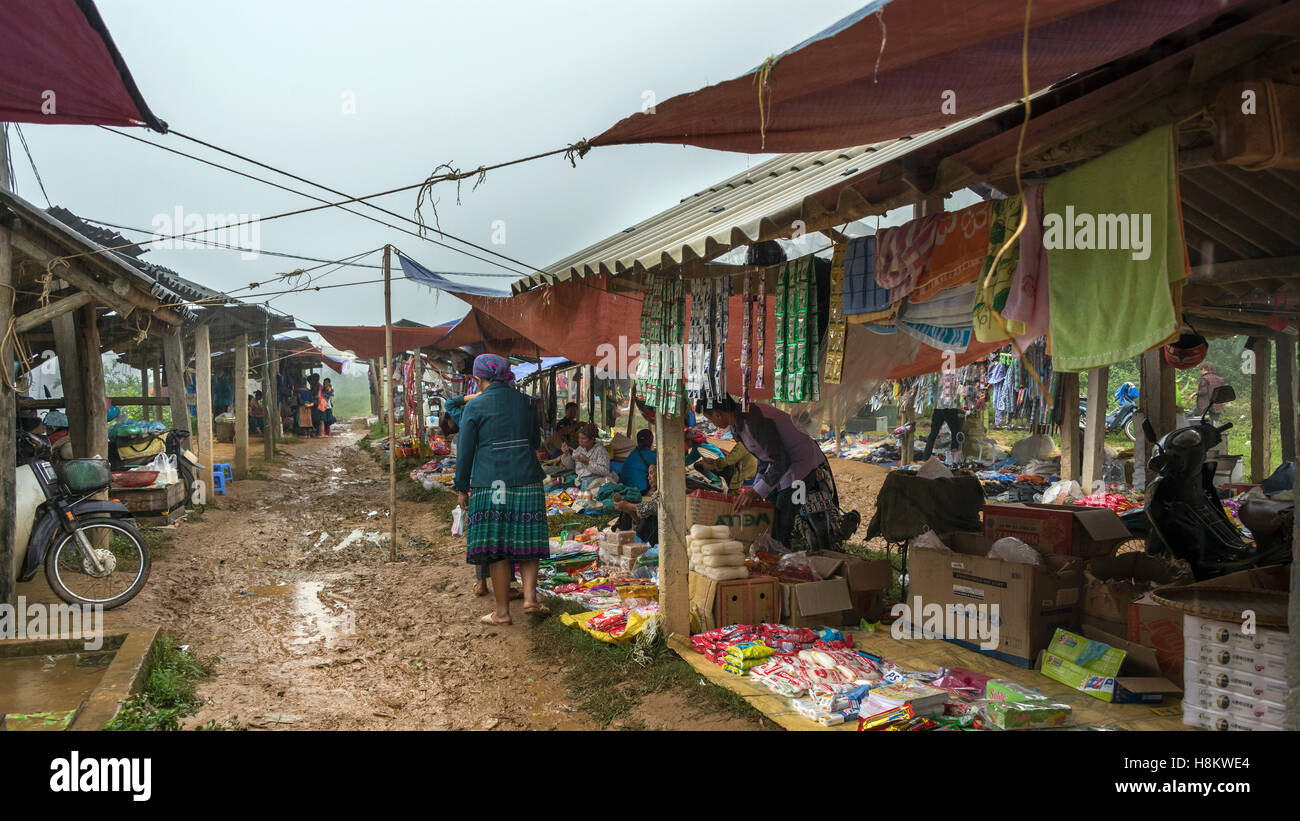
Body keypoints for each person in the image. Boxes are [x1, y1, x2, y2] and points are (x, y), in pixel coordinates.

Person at [454, 353, 550, 625]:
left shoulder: (474, 407)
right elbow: (534, 441)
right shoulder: (527, 402)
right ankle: (531, 599)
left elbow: (465, 452)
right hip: (527, 480)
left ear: (478, 377)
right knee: (528, 542)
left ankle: (502, 613)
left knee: (496, 548)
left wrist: (462, 487)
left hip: (491, 484)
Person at [696, 395, 858, 550]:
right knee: (769, 513)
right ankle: (773, 554)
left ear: (717, 415)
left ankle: (781, 562)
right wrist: (756, 488)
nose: (712, 422)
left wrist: (755, 491)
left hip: (801, 466)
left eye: (710, 419)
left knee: (781, 520)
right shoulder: (738, 425)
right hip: (782, 467)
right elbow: (763, 458)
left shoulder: (753, 420)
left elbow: (780, 460)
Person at [922, 371, 964, 463]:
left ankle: (926, 457)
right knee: (956, 431)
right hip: (949, 407)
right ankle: (953, 457)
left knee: (933, 433)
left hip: (938, 407)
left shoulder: (937, 372)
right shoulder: (953, 371)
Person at [612, 463, 659, 544]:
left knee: (648, 515)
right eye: (648, 474)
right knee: (627, 509)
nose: (648, 478)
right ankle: (618, 535)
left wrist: (628, 506)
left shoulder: (666, 492)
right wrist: (628, 509)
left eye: (651, 473)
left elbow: (653, 508)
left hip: (657, 531)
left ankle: (636, 542)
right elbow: (638, 521)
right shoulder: (650, 492)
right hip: (644, 527)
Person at [561, 422, 612, 489]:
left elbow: (605, 471)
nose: (580, 441)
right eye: (579, 438)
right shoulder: (580, 449)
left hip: (595, 485)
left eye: (583, 439)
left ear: (592, 439)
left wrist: (587, 462)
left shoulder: (600, 450)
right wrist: (566, 454)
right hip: (580, 482)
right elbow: (571, 467)